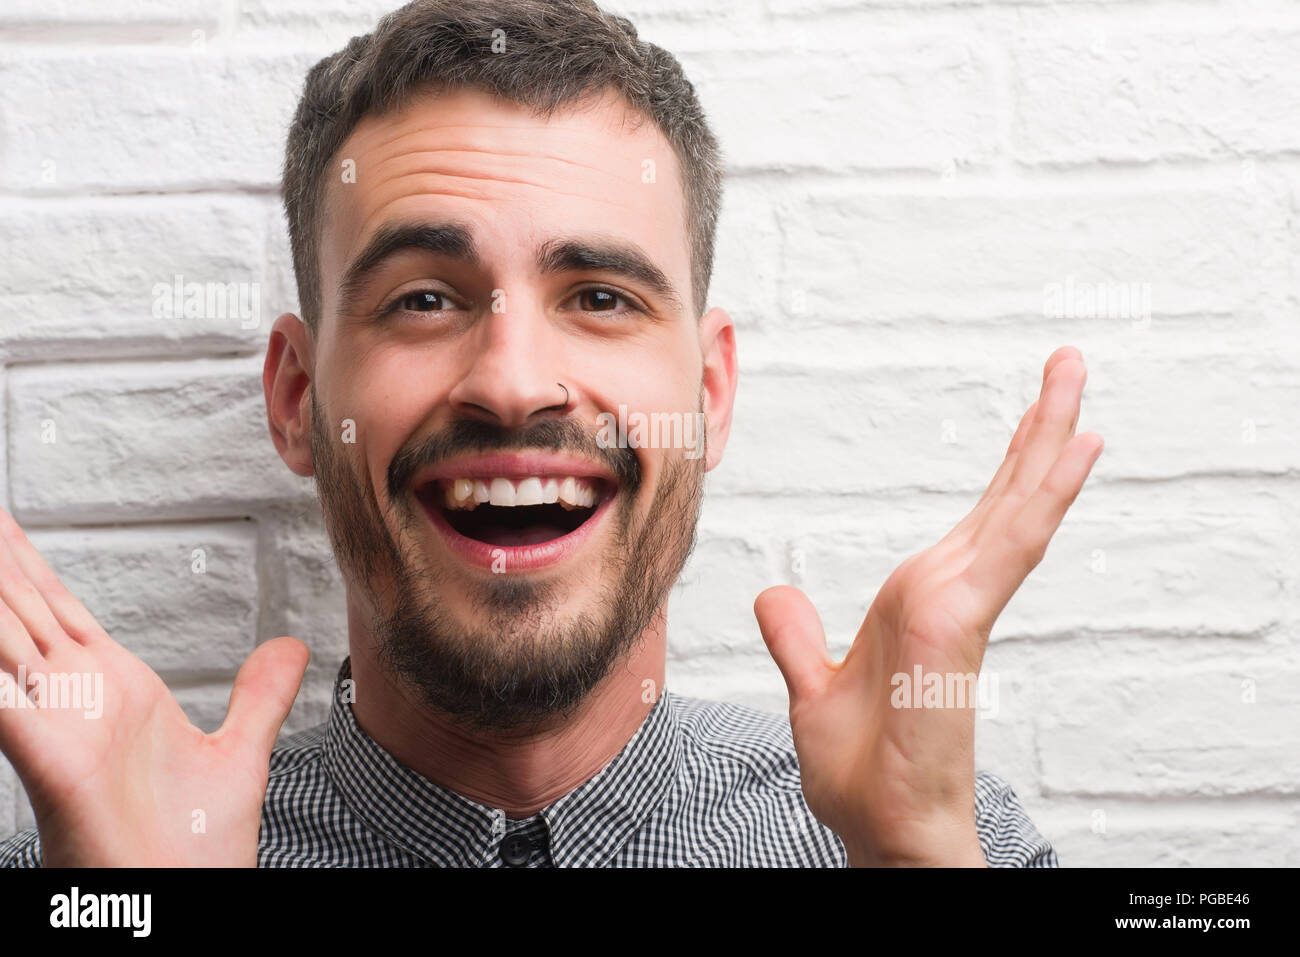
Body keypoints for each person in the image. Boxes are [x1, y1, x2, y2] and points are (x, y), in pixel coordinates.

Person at [0, 0, 1101, 867]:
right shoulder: (91, 870)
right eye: (424, 299)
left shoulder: (953, 845)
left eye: (601, 297)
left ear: (709, 394)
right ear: (295, 398)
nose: (514, 385)